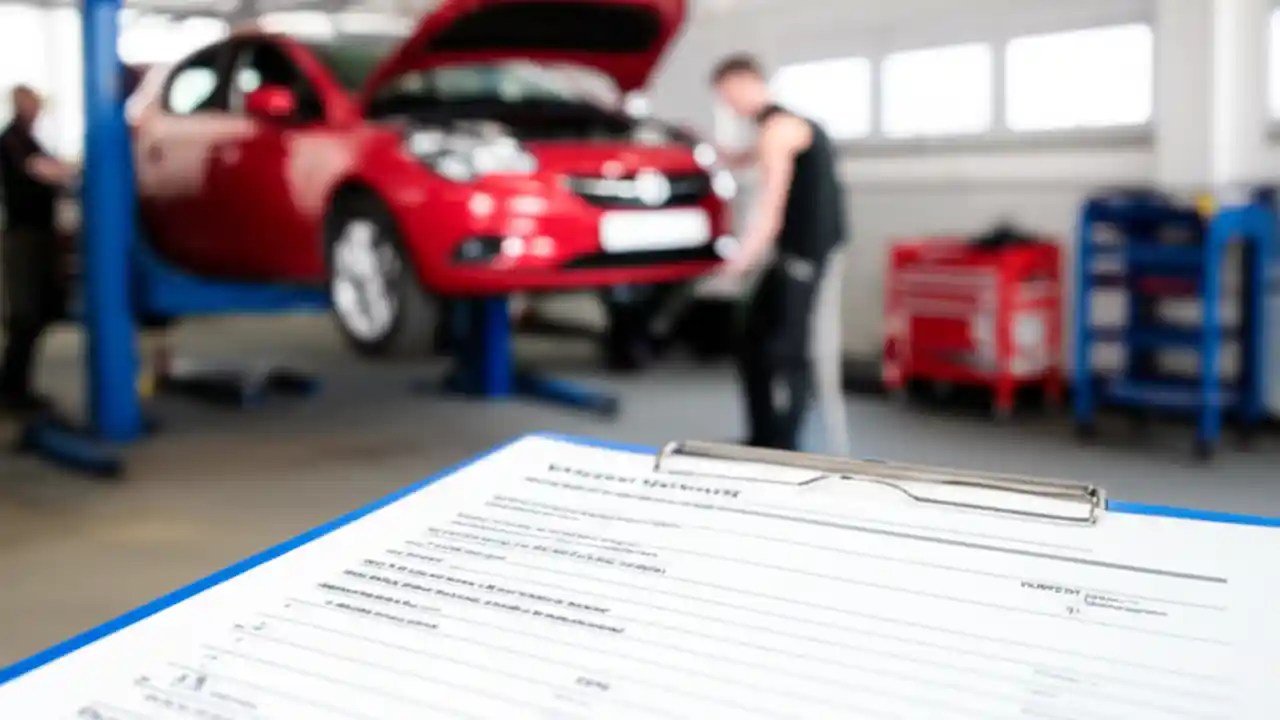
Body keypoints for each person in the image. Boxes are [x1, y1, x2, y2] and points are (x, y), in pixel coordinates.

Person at [711, 55, 850, 453]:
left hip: (803, 255)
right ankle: (763, 439)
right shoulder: (778, 127)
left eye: (727, 96)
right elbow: (744, 157)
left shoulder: (779, 129)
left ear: (744, 82)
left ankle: (784, 447)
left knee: (784, 351)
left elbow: (769, 207)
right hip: (791, 255)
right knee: (752, 339)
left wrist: (740, 259)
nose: (728, 106)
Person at [1, 85, 76, 412]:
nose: (37, 111)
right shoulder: (12, 140)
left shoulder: (29, 138)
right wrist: (75, 173)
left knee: (40, 313)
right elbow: (40, 170)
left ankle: (17, 388)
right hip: (23, 237)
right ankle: (11, 391)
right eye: (33, 105)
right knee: (26, 316)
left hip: (39, 235)